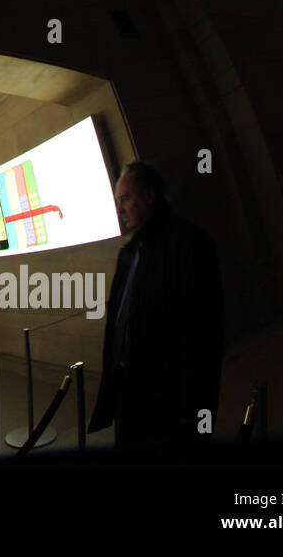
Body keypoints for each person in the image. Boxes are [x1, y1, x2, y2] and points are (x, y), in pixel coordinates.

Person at [88, 162, 224, 456]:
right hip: (129, 391)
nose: (120, 208)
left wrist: (195, 408)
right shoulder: (129, 252)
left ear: (149, 197)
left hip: (167, 397)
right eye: (118, 201)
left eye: (125, 199)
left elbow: (205, 333)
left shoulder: (190, 244)